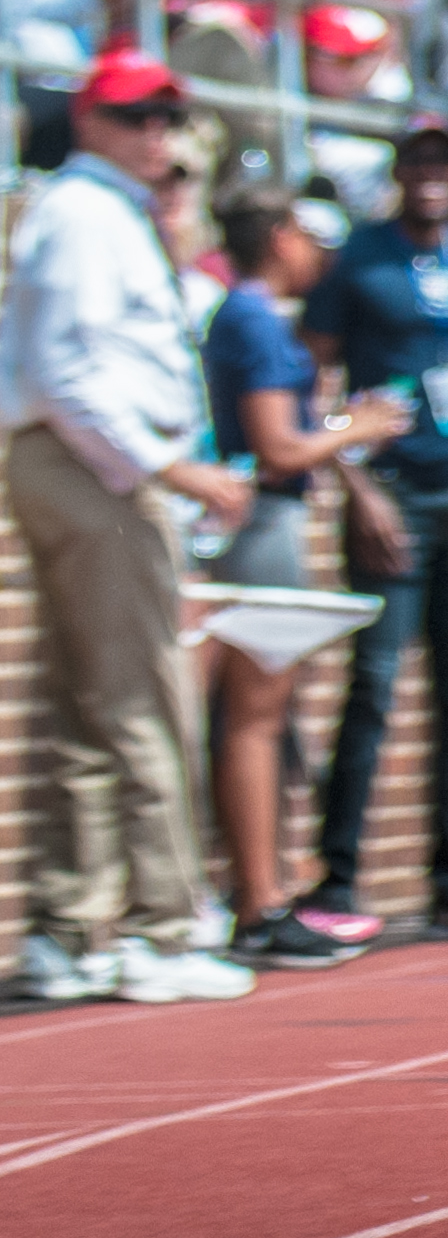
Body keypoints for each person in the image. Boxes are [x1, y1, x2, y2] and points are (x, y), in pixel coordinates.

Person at [4, 51, 261, 1004]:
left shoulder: (102, 212)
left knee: (91, 703)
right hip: (95, 471)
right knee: (146, 699)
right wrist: (168, 468)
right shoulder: (84, 214)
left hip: (88, 466)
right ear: (89, 120)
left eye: (167, 115)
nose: (156, 132)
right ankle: (161, 926)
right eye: (135, 115)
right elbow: (66, 369)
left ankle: (74, 926)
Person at [300, 114, 448, 940]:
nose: (433, 174)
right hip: (392, 490)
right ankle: (337, 880)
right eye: (420, 160)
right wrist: (354, 480)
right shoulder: (359, 260)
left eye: (446, 160)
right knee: (373, 683)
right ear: (399, 169)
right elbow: (312, 377)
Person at [200, 187, 414, 963]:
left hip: (265, 524)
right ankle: (260, 903)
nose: (320, 258)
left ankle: (262, 894)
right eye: (308, 239)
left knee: (264, 720)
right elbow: (278, 449)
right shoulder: (254, 319)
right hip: (263, 527)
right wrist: (356, 426)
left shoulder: (248, 317)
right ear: (280, 239)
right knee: (256, 719)